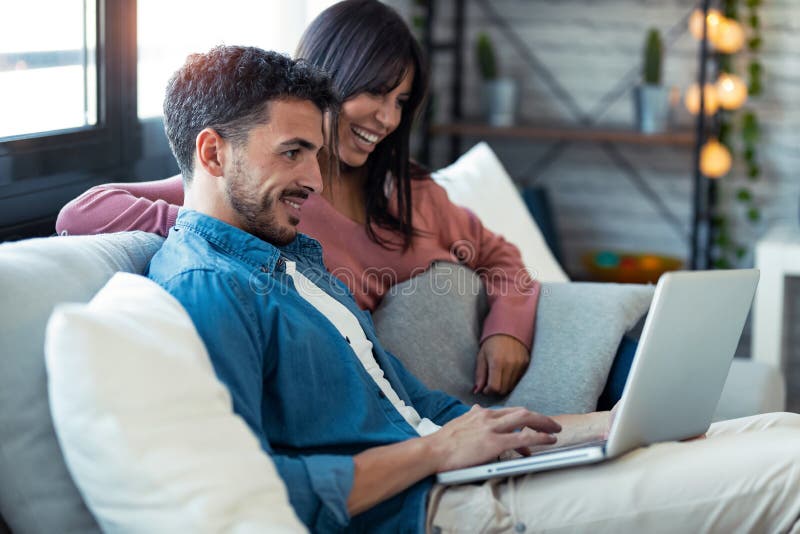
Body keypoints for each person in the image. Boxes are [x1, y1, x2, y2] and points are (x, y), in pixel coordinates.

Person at [148, 44, 800, 534]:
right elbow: (249, 487)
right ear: (210, 154)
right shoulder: (211, 287)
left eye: (316, 155)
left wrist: (604, 428)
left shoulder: (299, 262)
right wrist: (438, 451)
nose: (316, 180)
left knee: (784, 430)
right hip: (438, 507)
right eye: (292, 152)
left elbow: (432, 408)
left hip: (470, 470)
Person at [58, 0, 600, 402]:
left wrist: (506, 329)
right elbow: (83, 212)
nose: (388, 119)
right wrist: (225, 223)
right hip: (416, 411)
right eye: (375, 92)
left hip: (518, 372)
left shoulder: (413, 194)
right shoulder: (273, 196)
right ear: (325, 81)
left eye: (401, 102)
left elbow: (504, 260)